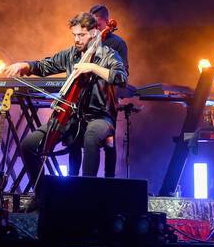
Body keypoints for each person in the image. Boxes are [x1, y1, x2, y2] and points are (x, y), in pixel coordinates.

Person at [7, 12, 126, 180]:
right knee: (27, 145)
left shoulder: (108, 54)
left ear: (94, 33)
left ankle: (86, 195)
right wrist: (26, 65)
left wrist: (93, 67)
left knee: (91, 135)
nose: (77, 40)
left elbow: (121, 77)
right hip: (71, 118)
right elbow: (45, 66)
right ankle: (42, 196)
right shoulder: (71, 54)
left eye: (81, 35)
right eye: (74, 35)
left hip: (99, 117)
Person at [88, 3, 128, 177]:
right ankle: (75, 179)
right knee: (75, 140)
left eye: (97, 24)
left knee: (109, 142)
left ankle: (109, 179)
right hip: (87, 99)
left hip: (106, 101)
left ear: (106, 21)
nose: (94, 28)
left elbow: (123, 74)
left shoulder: (118, 43)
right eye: (91, 24)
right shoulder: (88, 40)